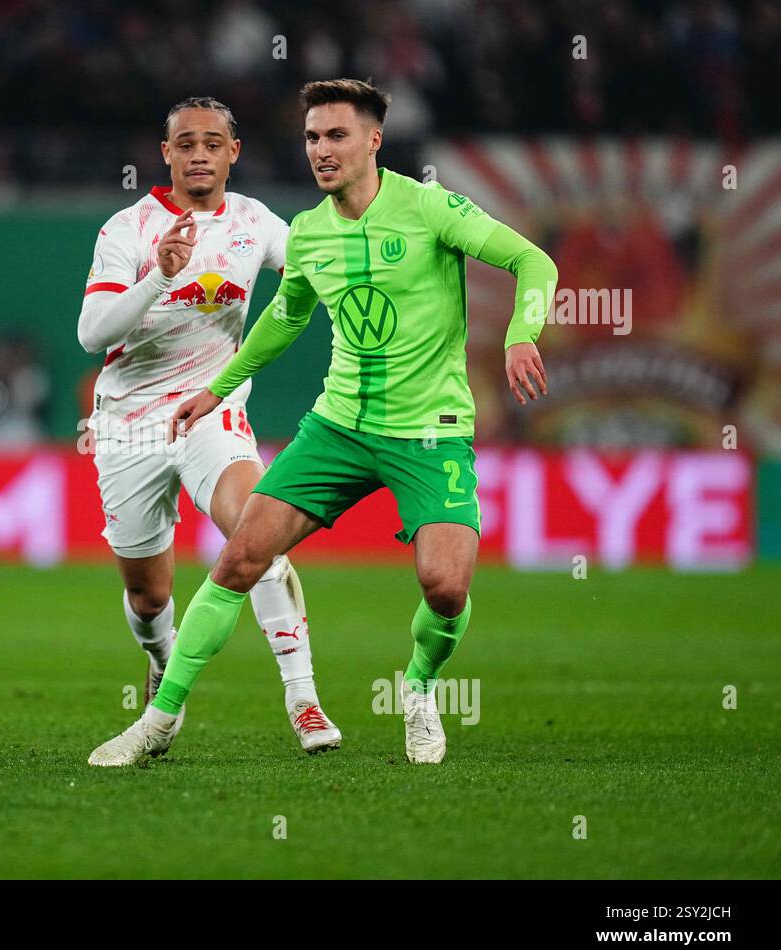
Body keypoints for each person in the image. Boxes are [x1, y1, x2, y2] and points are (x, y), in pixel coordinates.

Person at [89, 79, 557, 767]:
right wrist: (214, 391)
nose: (321, 150)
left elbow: (532, 259)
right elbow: (282, 321)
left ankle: (420, 691)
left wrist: (523, 332)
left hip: (429, 430)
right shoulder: (308, 233)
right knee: (241, 558)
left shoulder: (430, 209)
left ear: (373, 140)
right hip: (336, 429)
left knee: (446, 586)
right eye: (312, 138)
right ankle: (157, 721)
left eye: (336, 135)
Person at [79, 97, 341, 763]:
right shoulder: (128, 229)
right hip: (129, 427)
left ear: (233, 152)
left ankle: (304, 699)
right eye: (185, 143)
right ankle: (165, 663)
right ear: (165, 154)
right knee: (148, 593)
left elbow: (319, 267)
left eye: (212, 142)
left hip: (211, 411)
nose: (199, 153)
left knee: (258, 532)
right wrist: (157, 277)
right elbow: (92, 334)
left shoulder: (255, 222)